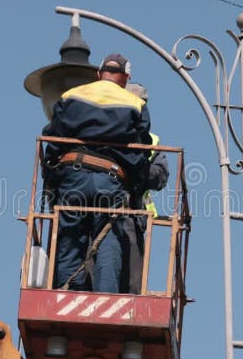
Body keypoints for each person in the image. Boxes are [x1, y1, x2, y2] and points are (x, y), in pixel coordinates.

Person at [42, 53, 151, 293]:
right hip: (111, 178)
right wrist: (135, 185)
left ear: (98, 73)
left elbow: (54, 136)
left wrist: (51, 177)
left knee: (70, 239)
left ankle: (69, 295)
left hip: (73, 173)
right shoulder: (135, 104)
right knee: (109, 240)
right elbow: (140, 150)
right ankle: (105, 297)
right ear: (125, 78)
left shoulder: (71, 96)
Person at [120, 83, 169, 294]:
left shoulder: (151, 141)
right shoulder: (105, 131)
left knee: (132, 282)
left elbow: (160, 177)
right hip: (101, 209)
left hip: (134, 214)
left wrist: (137, 170)